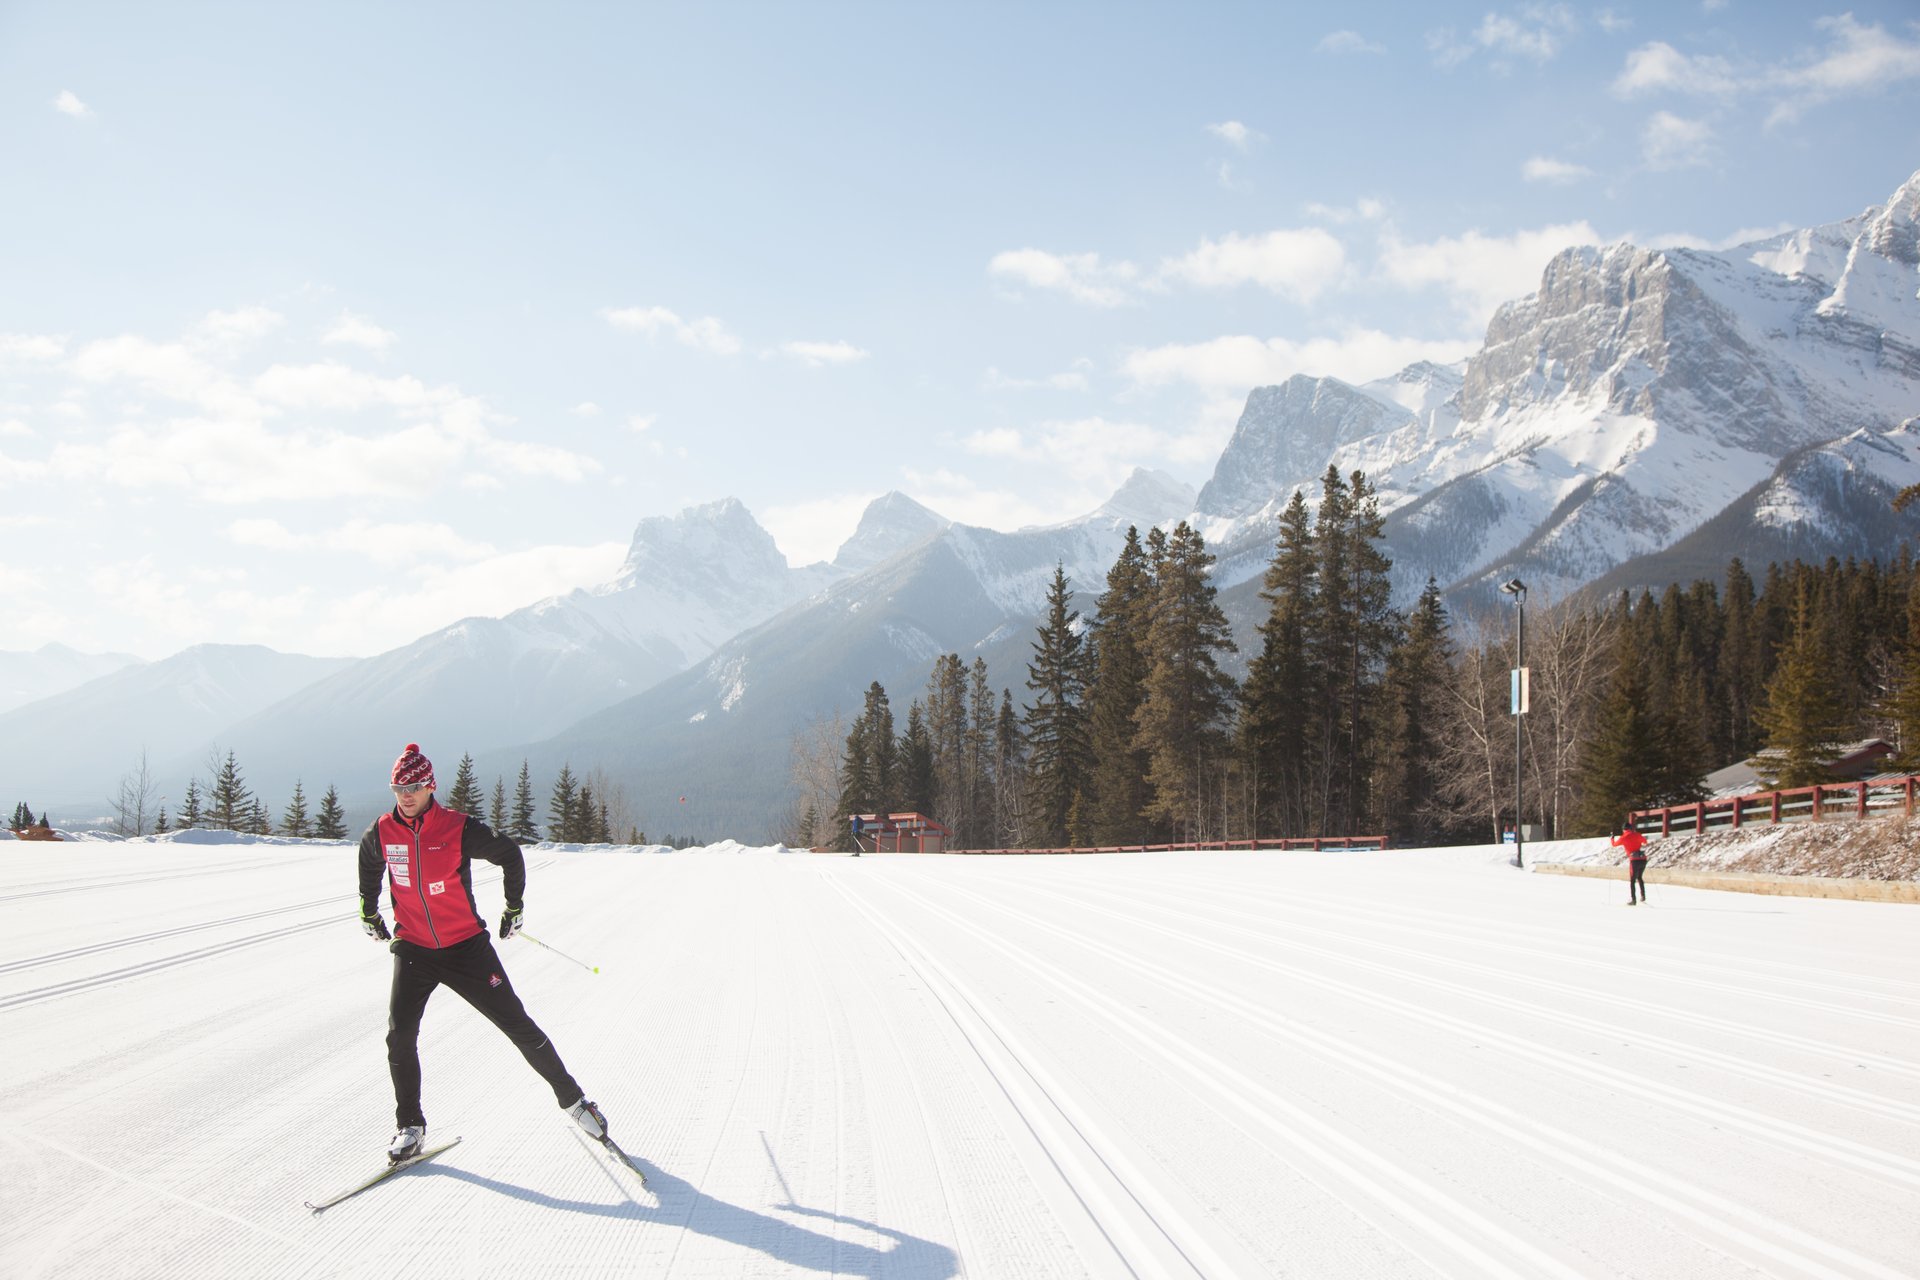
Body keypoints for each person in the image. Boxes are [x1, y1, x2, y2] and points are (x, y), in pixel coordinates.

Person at [357, 743, 610, 1162]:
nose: (406, 795)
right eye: (398, 788)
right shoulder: (383, 832)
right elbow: (369, 865)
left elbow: (510, 854)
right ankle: (410, 1126)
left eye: (414, 787)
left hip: (465, 949)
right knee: (399, 1036)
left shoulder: (457, 827)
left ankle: (575, 1102)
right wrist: (369, 911)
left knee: (517, 1024)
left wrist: (514, 908)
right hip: (414, 948)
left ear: (430, 786)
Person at [1611, 821, 1649, 905]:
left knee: (1632, 880)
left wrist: (1612, 838)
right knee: (1639, 877)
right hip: (1643, 859)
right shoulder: (1637, 834)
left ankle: (1633, 900)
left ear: (1623, 829)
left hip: (1634, 860)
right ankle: (1643, 896)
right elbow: (1645, 842)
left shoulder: (1623, 837)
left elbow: (1614, 844)